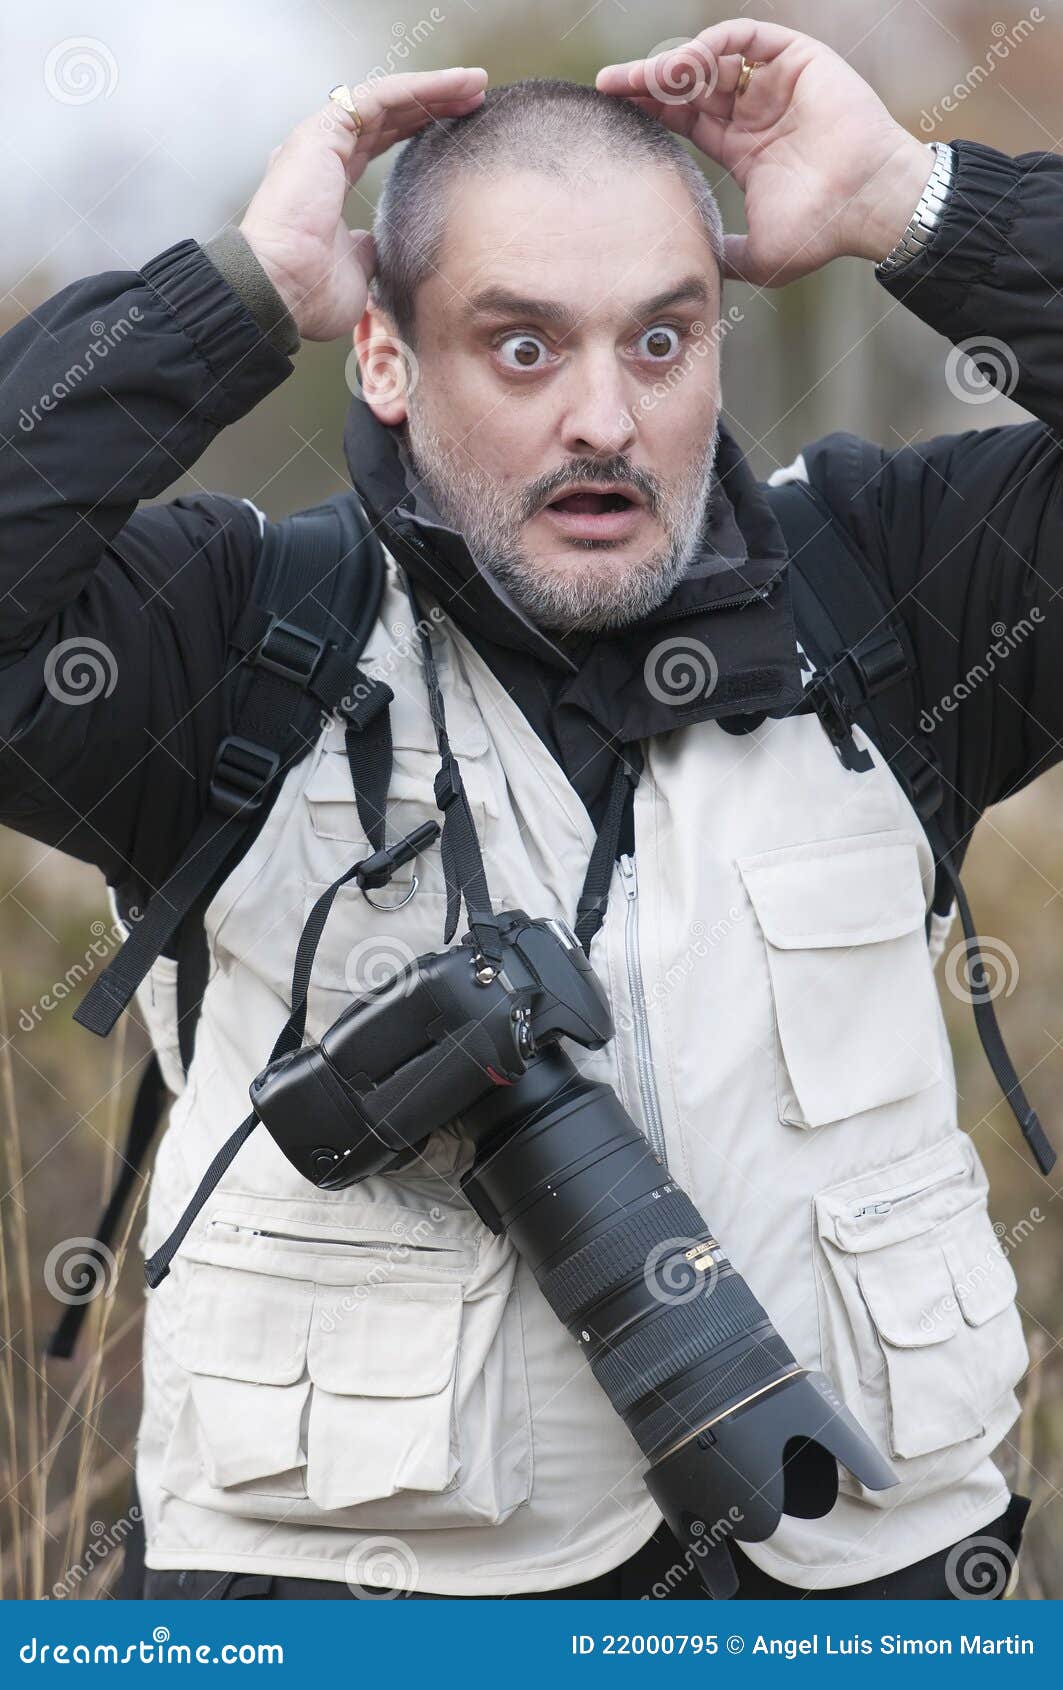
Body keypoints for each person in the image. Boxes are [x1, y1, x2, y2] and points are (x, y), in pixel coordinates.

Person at [0, 18, 1054, 1599]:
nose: (605, 422)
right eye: (519, 345)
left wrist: (917, 201)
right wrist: (226, 300)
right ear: (381, 356)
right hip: (358, 1617)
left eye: (659, 340)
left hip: (860, 1599)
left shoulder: (892, 596)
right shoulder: (229, 647)